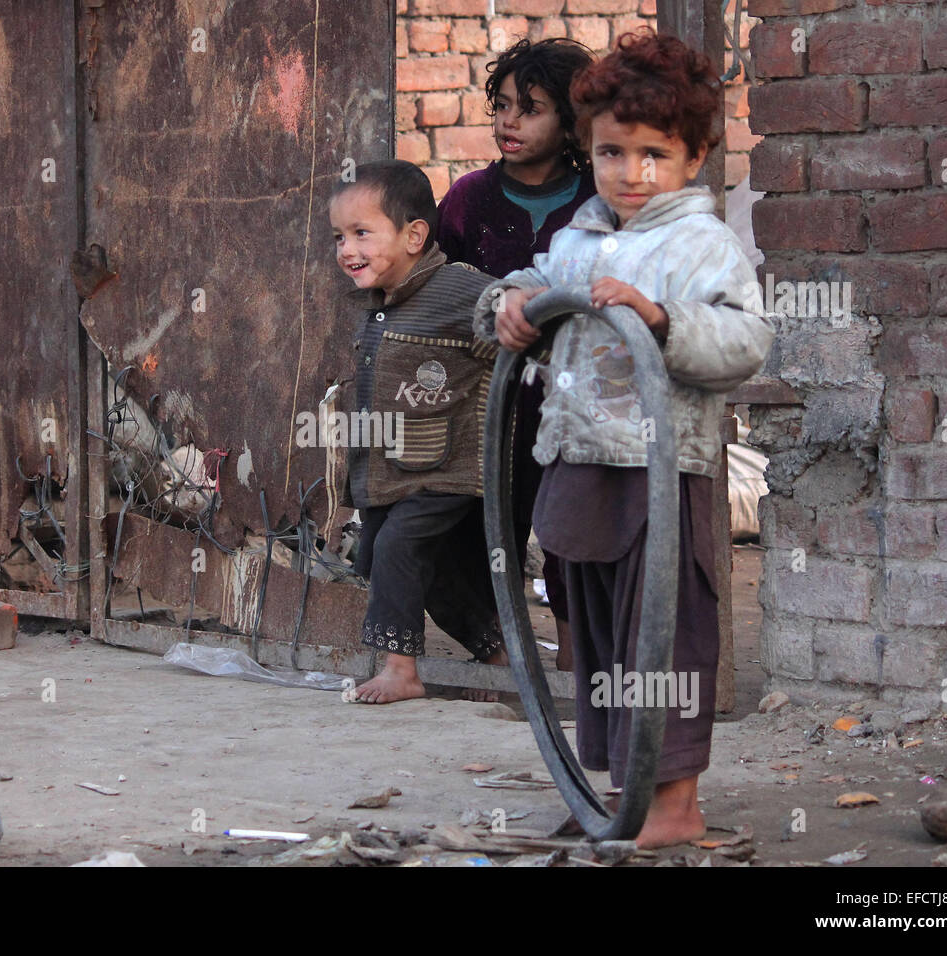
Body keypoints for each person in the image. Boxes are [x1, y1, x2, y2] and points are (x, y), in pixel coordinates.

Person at [474, 29, 775, 847]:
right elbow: (530, 290)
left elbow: (747, 340)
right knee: (600, 631)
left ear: (695, 155)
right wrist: (507, 307)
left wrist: (661, 321)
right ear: (588, 149)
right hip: (578, 462)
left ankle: (674, 802)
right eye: (611, 152)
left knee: (666, 631)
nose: (631, 174)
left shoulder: (700, 243)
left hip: (659, 470)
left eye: (653, 154)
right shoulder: (578, 234)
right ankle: (622, 788)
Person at [436, 37, 598, 672]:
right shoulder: (469, 199)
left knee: (567, 527)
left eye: (530, 109)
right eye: (501, 105)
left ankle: (575, 663)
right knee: (479, 525)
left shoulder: (597, 202)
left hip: (571, 399)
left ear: (571, 123)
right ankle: (499, 656)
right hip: (483, 397)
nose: (509, 121)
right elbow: (441, 285)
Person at [328, 160, 508, 704]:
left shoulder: (459, 290)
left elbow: (513, 321)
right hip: (390, 472)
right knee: (431, 573)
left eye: (362, 233)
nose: (346, 249)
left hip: (447, 467)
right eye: (339, 236)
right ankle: (498, 657)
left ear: (413, 235)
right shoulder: (379, 305)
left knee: (398, 550)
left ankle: (401, 669)